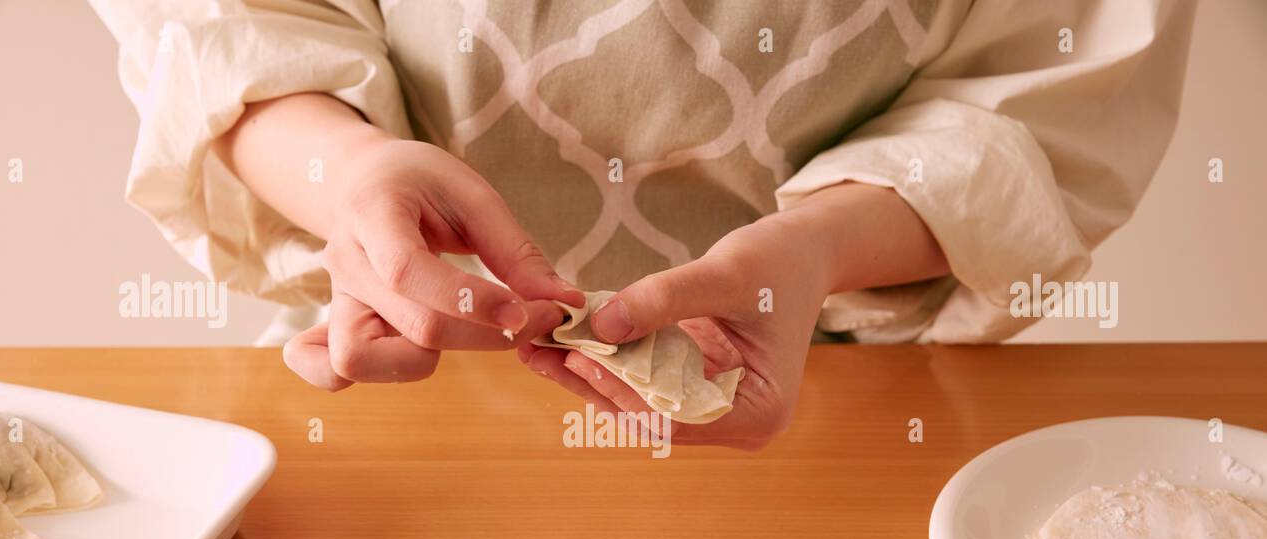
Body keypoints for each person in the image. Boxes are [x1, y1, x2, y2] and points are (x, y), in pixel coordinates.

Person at [92, 1, 1192, 449]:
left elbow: (1056, 94)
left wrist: (813, 248)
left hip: (837, 396)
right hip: (390, 366)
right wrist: (353, 173)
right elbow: (219, 27)